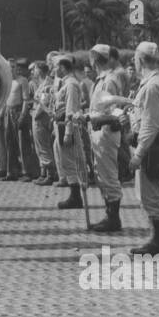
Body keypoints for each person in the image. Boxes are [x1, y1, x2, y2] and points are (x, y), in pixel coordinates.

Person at [128, 42, 159, 256]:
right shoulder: (151, 83)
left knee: (152, 195)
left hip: (150, 147)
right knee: (147, 194)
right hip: (150, 144)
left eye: (135, 59)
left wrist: (138, 153)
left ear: (141, 60)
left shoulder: (153, 85)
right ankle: (155, 239)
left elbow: (151, 123)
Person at [87, 43, 128, 232]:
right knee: (101, 175)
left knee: (109, 176)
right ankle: (109, 215)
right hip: (98, 133)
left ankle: (114, 218)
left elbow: (116, 113)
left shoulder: (109, 81)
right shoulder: (101, 79)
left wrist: (97, 119)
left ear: (95, 59)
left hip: (106, 132)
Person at [53, 55, 85, 209]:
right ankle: (74, 195)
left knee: (70, 162)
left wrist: (68, 132)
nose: (55, 70)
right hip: (60, 125)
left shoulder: (71, 84)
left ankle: (76, 196)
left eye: (56, 67)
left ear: (63, 67)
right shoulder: (65, 83)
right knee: (65, 162)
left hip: (67, 127)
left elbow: (71, 109)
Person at [30, 60, 56, 186]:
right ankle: (44, 173)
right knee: (39, 146)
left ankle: (50, 174)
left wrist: (35, 115)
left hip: (41, 118)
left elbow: (44, 103)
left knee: (43, 146)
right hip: (37, 117)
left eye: (34, 69)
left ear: (39, 70)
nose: (33, 72)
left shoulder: (47, 84)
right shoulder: (41, 83)